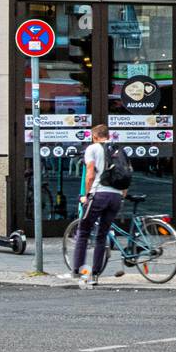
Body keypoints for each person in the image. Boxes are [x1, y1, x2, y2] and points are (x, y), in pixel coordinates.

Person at [64, 121, 127, 288]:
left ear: (95, 136)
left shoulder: (92, 149)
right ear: (108, 135)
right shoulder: (118, 149)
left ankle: (77, 270)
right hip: (115, 197)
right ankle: (95, 274)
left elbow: (90, 174)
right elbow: (127, 173)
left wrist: (86, 195)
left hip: (99, 194)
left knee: (83, 231)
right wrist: (122, 195)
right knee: (102, 235)